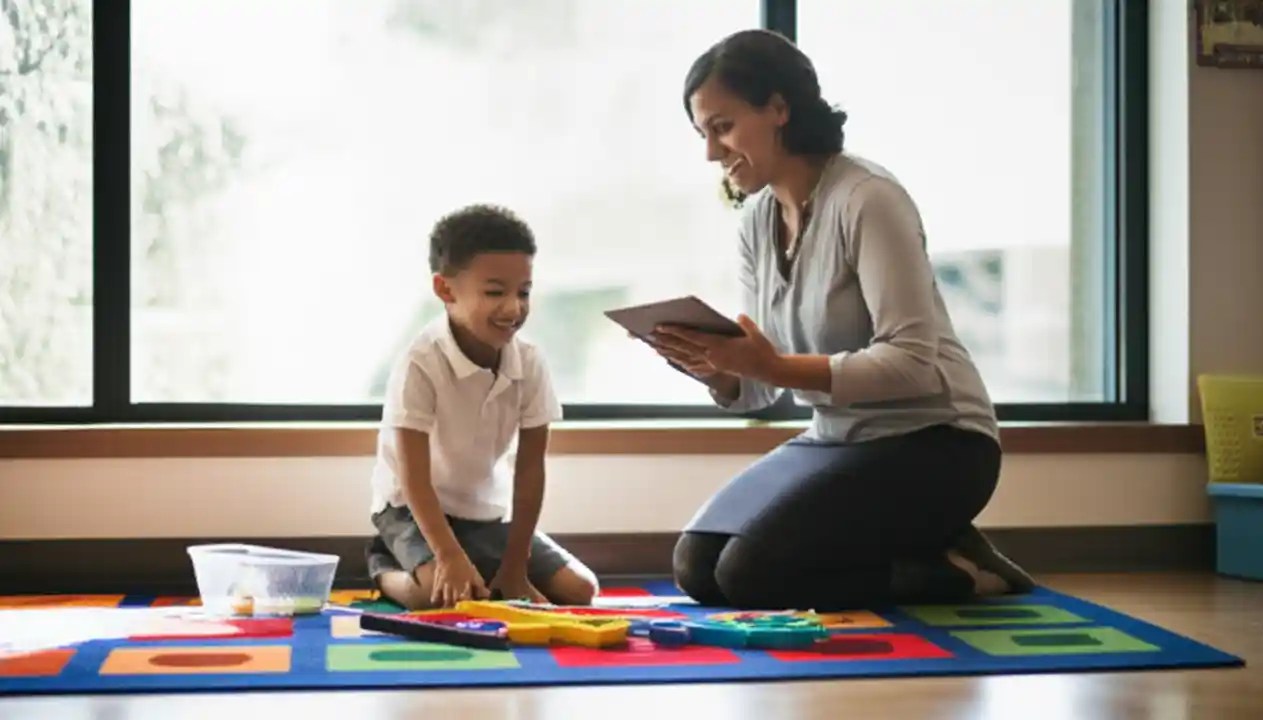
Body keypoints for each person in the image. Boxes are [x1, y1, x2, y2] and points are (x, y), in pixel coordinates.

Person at [646, 30, 1034, 611]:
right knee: (697, 568)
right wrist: (718, 369)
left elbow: (909, 363)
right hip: (837, 438)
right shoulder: (756, 219)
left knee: (751, 574)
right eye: (703, 134)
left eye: (722, 127)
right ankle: (927, 542)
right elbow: (764, 384)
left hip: (939, 443)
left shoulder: (868, 197)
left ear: (779, 108)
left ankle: (956, 568)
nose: (710, 152)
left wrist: (770, 364)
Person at [364, 204, 599, 609]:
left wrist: (515, 564)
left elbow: (529, 470)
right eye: (495, 292)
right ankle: (384, 569)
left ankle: (472, 562)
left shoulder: (529, 361)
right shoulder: (420, 362)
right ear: (445, 290)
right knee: (439, 599)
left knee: (581, 590)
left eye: (523, 292)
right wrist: (448, 556)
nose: (514, 308)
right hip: (409, 510)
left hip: (483, 513)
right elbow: (412, 477)